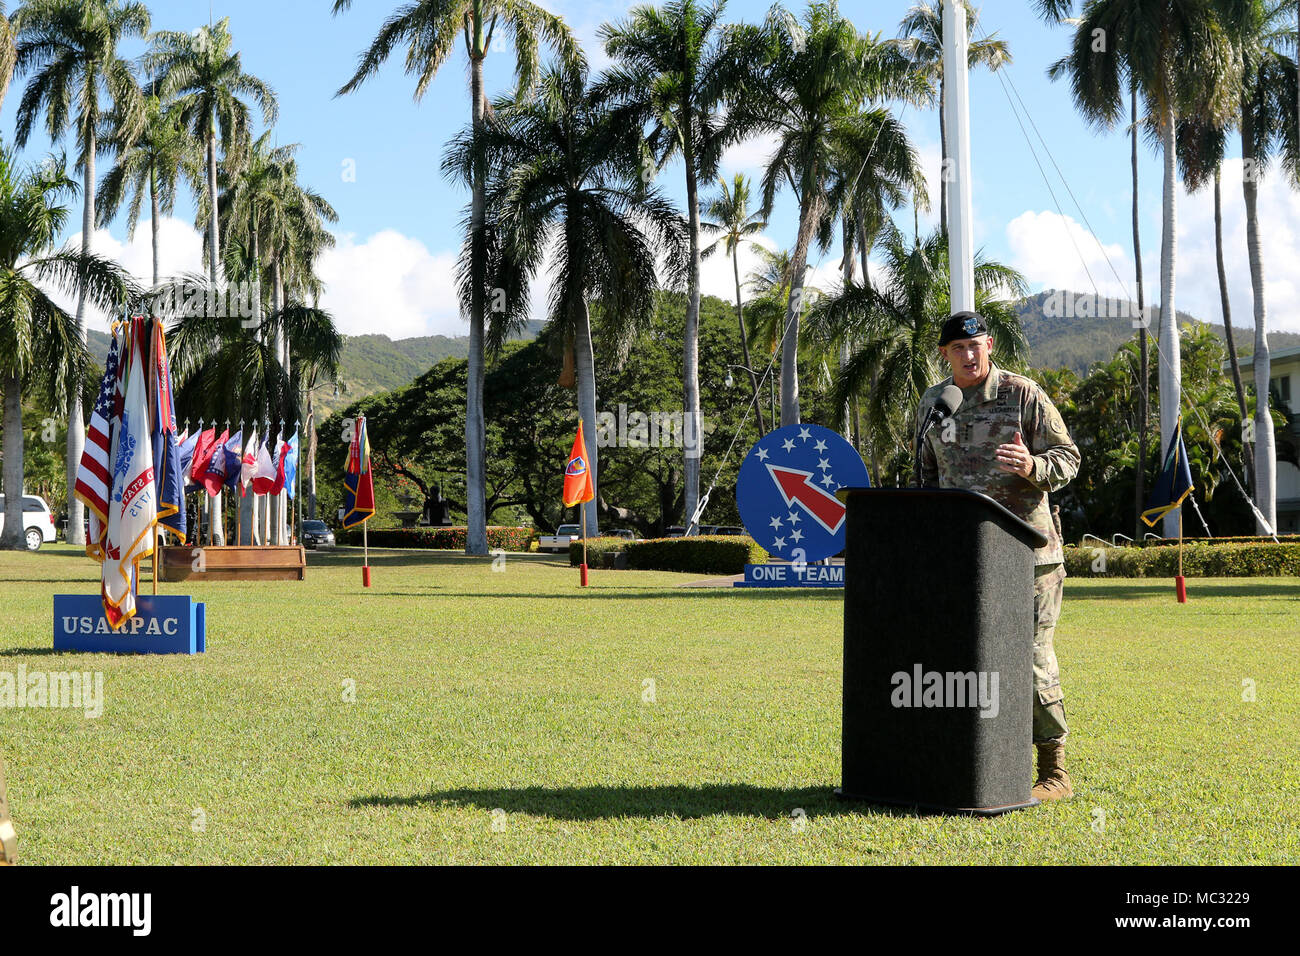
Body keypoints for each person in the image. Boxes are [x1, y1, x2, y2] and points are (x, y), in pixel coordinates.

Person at [915, 311, 1081, 801]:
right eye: (957, 349)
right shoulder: (933, 402)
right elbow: (926, 474)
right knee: (960, 658)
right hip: (962, 558)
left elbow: (1068, 457)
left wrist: (1032, 465)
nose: (968, 356)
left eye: (975, 346)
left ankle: (1054, 772)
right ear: (944, 355)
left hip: (1029, 555)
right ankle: (967, 758)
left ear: (989, 345)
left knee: (1029, 657)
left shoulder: (1023, 394)